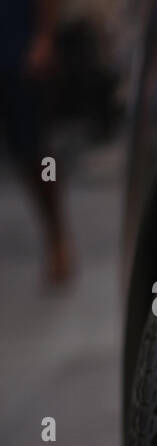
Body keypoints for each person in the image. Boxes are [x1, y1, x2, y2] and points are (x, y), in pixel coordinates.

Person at [1, 0, 73, 286]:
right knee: (22, 154)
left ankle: (56, 233)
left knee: (37, 154)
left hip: (19, 48)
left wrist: (44, 37)